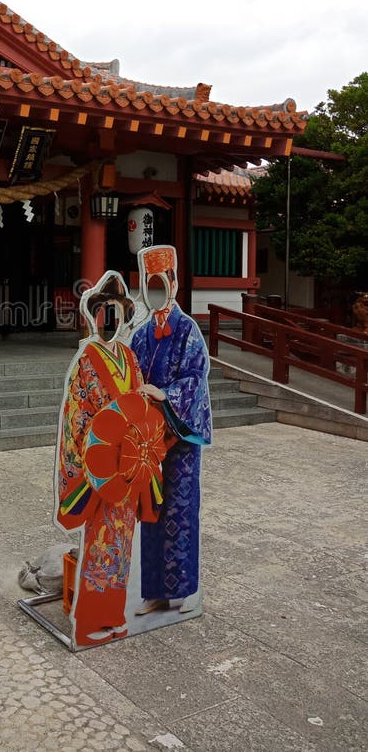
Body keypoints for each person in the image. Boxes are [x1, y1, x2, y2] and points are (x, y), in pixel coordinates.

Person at [54, 271, 175, 647]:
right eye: (105, 311)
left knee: (121, 546)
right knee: (100, 543)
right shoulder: (86, 358)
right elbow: (79, 415)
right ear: (94, 315)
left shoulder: (129, 356)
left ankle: (113, 615)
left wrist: (146, 416)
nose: (111, 319)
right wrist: (97, 454)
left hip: (129, 468)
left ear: (124, 316)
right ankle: (92, 618)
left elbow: (137, 404)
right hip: (102, 467)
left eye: (117, 313)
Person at [130, 245, 212, 616]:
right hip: (148, 440)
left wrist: (166, 394)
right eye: (151, 284)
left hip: (179, 437)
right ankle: (154, 592)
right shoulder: (141, 334)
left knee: (180, 510)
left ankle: (185, 591)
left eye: (162, 282)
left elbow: (196, 377)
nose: (157, 290)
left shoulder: (188, 330)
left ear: (174, 283)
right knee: (151, 511)